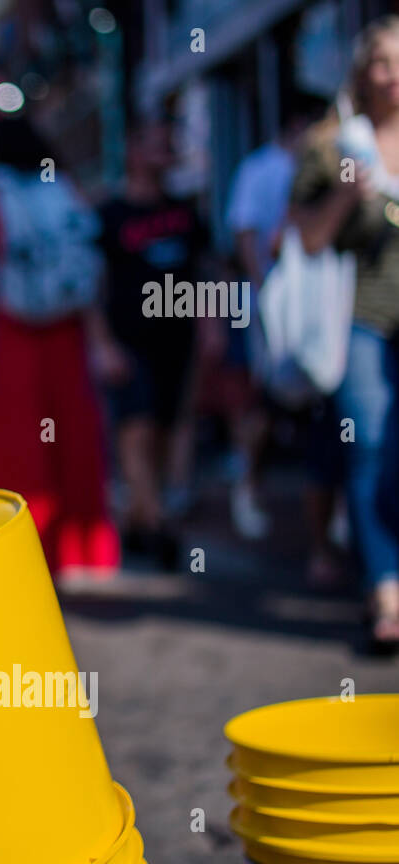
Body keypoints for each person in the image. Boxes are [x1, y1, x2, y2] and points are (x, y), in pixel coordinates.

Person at [0, 116, 120, 581]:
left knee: (15, 446)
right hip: (67, 331)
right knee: (71, 434)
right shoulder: (62, 188)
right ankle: (81, 552)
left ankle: (19, 554)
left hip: (9, 332)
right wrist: (102, 341)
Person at [289, 16, 399, 648]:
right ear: (363, 73)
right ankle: (384, 590)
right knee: (371, 446)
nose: (390, 74)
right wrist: (345, 198)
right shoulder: (336, 146)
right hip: (360, 318)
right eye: (379, 62)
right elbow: (306, 238)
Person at [96, 120, 215, 571]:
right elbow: (93, 284)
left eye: (169, 146)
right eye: (155, 144)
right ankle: (157, 520)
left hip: (178, 337)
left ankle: (146, 515)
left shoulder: (186, 212)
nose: (164, 153)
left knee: (171, 429)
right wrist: (103, 344)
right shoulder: (110, 214)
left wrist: (211, 324)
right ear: (132, 150)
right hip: (130, 340)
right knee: (136, 428)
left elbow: (205, 271)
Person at [223, 90, 330, 545]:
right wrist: (267, 296)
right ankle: (248, 488)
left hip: (319, 309)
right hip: (273, 308)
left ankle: (329, 514)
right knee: (268, 400)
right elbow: (246, 236)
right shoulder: (260, 168)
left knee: (322, 404)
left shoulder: (325, 166)